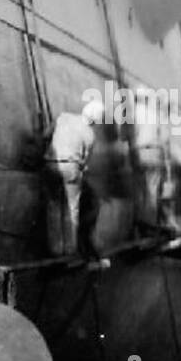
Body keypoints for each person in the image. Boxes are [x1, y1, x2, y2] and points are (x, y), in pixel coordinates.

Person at [44, 99, 105, 261]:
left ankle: (55, 249)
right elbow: (85, 161)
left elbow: (46, 135)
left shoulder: (63, 117)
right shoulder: (90, 134)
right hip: (71, 169)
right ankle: (69, 250)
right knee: (71, 209)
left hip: (50, 164)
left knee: (54, 206)